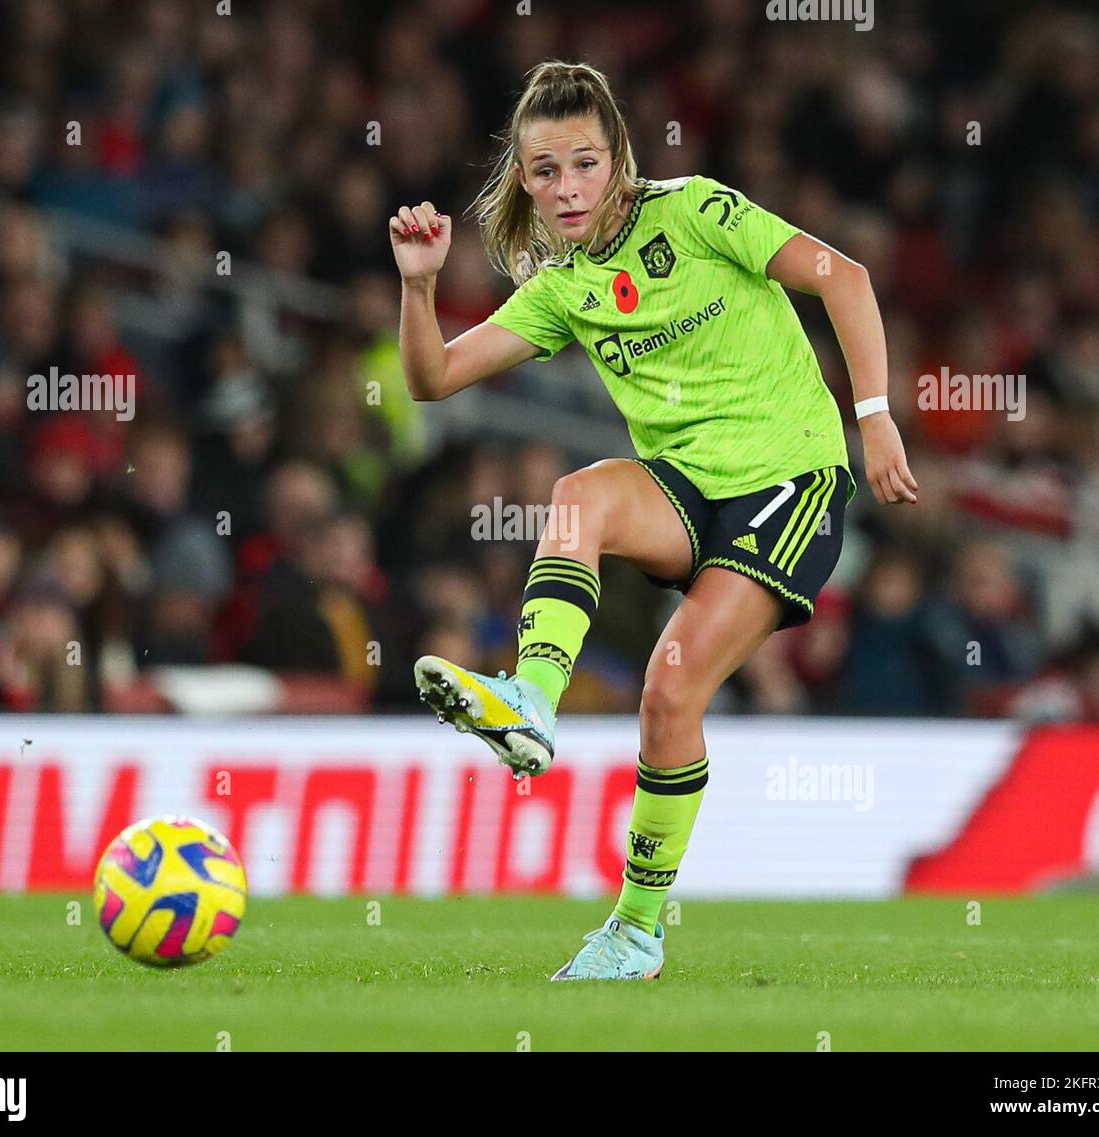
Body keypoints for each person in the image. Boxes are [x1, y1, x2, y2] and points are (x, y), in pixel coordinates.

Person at [391, 61, 917, 981]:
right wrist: (419, 286)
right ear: (523, 178)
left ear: (619, 159)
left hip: (788, 481)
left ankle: (635, 929)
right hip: (687, 486)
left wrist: (872, 418)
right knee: (579, 495)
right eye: (545, 170)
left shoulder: (698, 212)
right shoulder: (563, 288)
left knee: (670, 689)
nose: (567, 189)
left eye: (585, 163)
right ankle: (532, 702)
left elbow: (845, 277)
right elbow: (432, 379)